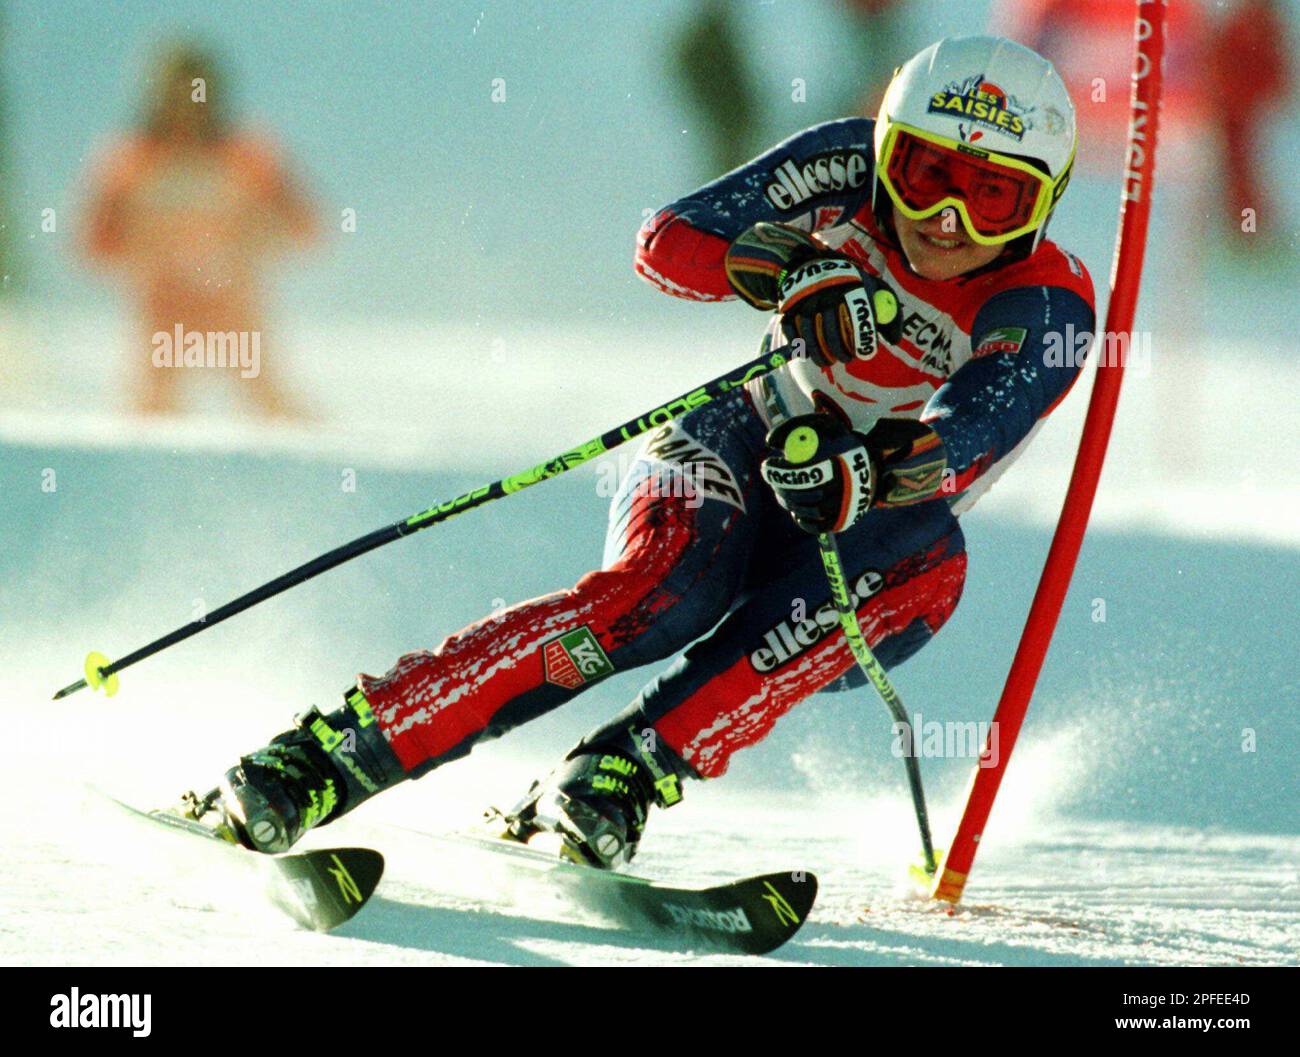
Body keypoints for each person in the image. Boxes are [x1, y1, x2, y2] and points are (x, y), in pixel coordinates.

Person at [199, 35, 1096, 868]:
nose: (946, 218)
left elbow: (973, 433)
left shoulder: (1049, 303)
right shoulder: (847, 165)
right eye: (927, 174)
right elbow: (666, 241)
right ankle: (330, 754)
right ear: (888, 151)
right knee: (665, 592)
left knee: (929, 560)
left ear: (1043, 202)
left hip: (862, 531)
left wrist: (867, 471)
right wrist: (785, 264)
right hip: (742, 439)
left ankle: (622, 769)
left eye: (992, 195)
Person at [83, 41, 316, 417]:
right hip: (164, 308)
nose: (188, 106)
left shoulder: (246, 156)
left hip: (232, 303)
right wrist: (149, 251)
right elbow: (95, 243)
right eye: (175, 94)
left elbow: (303, 227)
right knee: (151, 410)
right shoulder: (131, 160)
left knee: (272, 404)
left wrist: (248, 241)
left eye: (196, 92)